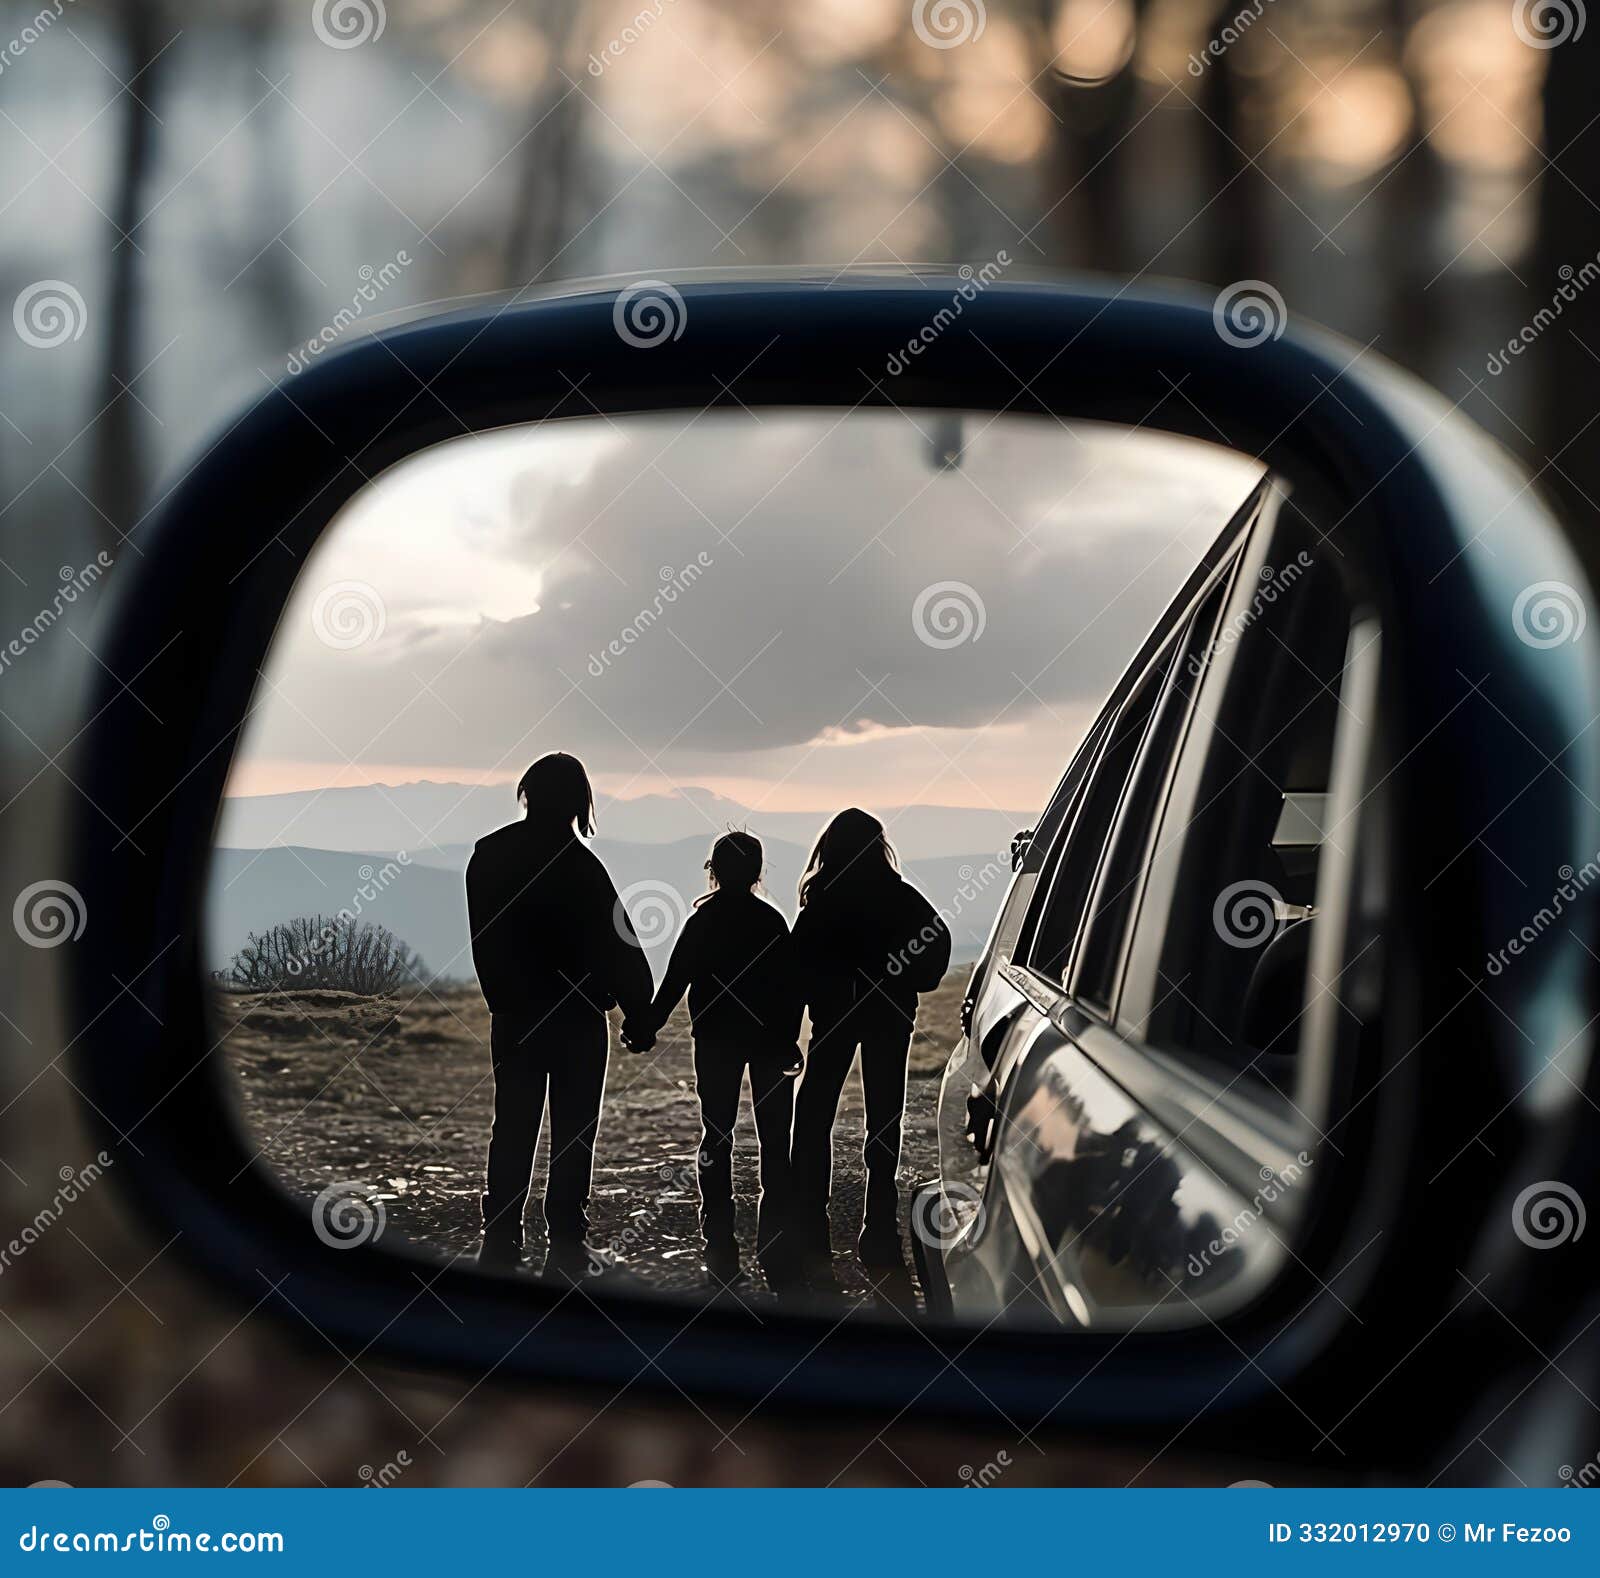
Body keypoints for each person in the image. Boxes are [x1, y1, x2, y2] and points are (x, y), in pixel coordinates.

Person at [466, 752, 653, 1276]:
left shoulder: (489, 855)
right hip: (577, 1020)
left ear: (528, 793)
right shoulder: (584, 868)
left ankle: (501, 1231)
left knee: (514, 1123)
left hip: (516, 1016)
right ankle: (566, 1235)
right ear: (579, 803)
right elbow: (621, 946)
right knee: (574, 1129)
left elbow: (486, 941)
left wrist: (502, 1000)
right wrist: (640, 1012)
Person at [624, 832, 802, 1288]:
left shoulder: (702, 922)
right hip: (768, 1041)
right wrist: (786, 1040)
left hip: (716, 1039)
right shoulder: (771, 922)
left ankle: (717, 1225)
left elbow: (675, 980)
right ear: (758, 872)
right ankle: (776, 1224)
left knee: (716, 1131)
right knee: (775, 1133)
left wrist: (647, 1026)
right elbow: (790, 988)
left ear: (714, 870)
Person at [789, 809, 951, 1279]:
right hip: (889, 1018)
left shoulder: (822, 902)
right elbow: (935, 949)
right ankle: (878, 1223)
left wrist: (790, 1025)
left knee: (814, 1115)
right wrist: (898, 975)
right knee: (884, 1118)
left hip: (834, 1020)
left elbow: (797, 970)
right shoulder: (901, 898)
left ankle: (810, 1220)